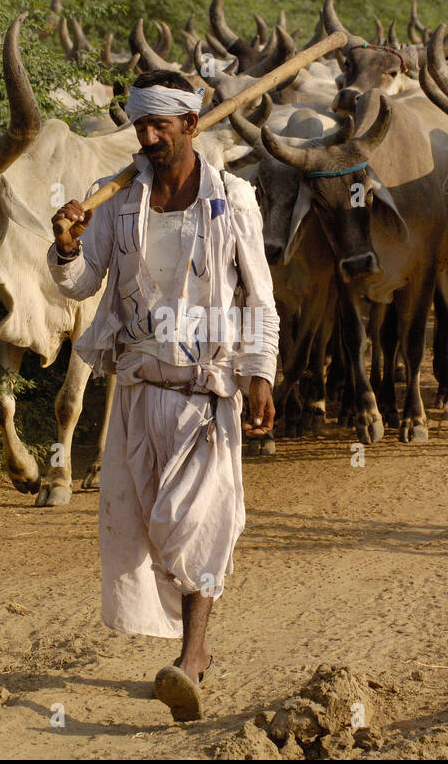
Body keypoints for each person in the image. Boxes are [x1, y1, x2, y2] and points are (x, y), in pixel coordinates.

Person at [47, 70, 278, 721]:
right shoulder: (116, 203)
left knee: (198, 523)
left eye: (160, 126)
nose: (147, 136)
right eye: (140, 125)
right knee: (150, 527)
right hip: (140, 388)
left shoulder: (233, 199)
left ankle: (192, 657)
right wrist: (65, 245)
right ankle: (190, 649)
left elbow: (259, 297)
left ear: (191, 125)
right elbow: (80, 282)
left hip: (206, 390)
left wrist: (260, 373)